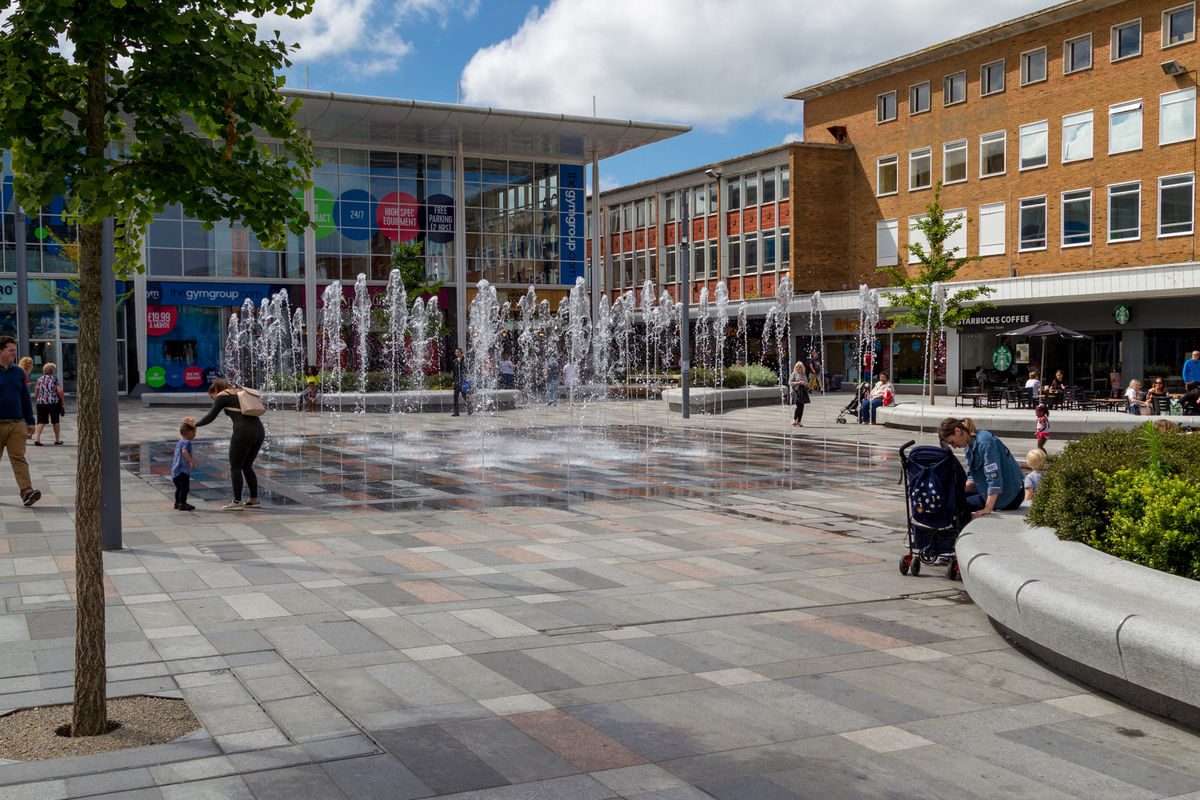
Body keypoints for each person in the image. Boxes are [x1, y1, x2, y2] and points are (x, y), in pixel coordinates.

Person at [185, 378, 264, 510]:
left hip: (243, 432)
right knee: (247, 466)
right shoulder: (238, 391)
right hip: (259, 430)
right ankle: (253, 499)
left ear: (215, 390)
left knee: (235, 466)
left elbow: (211, 416)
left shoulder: (222, 396)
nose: (213, 400)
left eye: (212, 397)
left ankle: (237, 501)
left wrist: (195, 424)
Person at [939, 417, 1023, 518]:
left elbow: (994, 479)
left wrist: (987, 509)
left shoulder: (985, 443)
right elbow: (972, 480)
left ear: (958, 431)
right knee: (952, 499)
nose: (954, 447)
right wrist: (951, 491)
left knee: (958, 505)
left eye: (952, 442)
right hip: (994, 489)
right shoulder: (969, 446)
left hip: (1009, 496)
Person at [0, 336, 40, 506]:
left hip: (16, 423)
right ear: (0, 351)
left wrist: (31, 421)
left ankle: (27, 492)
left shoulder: (18, 372)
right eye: (11, 350)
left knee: (19, 458)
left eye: (15, 350)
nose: (14, 354)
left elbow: (25, 398)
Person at [33, 362, 65, 446]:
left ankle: (37, 439)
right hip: (53, 403)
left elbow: (36, 391)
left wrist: (38, 399)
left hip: (41, 403)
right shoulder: (54, 379)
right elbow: (60, 391)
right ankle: (57, 440)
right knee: (55, 421)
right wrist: (62, 400)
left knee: (41, 421)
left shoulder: (39, 379)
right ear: (53, 370)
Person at [172, 421, 197, 511]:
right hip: (182, 471)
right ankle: (182, 504)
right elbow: (184, 452)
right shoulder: (187, 442)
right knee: (185, 488)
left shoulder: (180, 441)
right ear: (190, 433)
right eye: (194, 433)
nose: (195, 435)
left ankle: (177, 503)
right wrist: (191, 461)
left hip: (175, 470)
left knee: (179, 488)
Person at [450, 347, 471, 416]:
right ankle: (456, 412)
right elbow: (454, 373)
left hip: (463, 381)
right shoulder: (454, 361)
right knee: (455, 397)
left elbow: (467, 369)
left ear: (461, 352)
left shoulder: (465, 360)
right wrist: (453, 381)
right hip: (456, 381)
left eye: (458, 352)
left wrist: (461, 362)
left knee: (464, 395)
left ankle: (470, 408)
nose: (457, 353)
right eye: (456, 352)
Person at [789, 361, 810, 426]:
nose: (798, 368)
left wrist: (804, 383)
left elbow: (807, 384)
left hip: (803, 392)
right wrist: (797, 383)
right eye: (797, 367)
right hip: (796, 391)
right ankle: (794, 420)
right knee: (798, 406)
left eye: (800, 367)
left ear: (802, 368)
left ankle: (799, 421)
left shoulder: (804, 374)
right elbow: (789, 383)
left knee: (802, 406)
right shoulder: (794, 374)